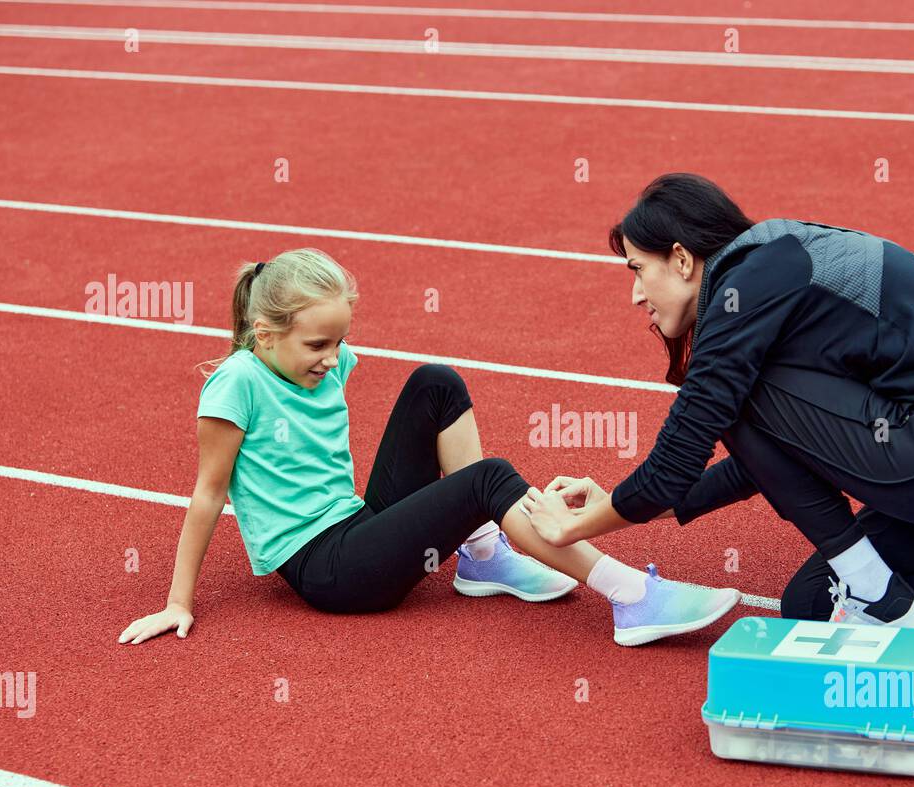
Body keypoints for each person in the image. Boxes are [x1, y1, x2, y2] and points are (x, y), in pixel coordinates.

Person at [522, 174, 914, 682]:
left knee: (728, 394)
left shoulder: (751, 281)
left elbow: (685, 449)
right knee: (809, 602)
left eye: (636, 269)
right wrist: (630, 502)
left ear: (681, 259)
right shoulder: (774, 266)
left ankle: (876, 595)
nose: (634, 296)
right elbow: (778, 452)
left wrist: (582, 525)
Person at [117, 248, 739, 648]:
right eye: (316, 347)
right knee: (487, 479)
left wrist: (326, 355)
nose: (334, 360)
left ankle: (481, 556)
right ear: (264, 333)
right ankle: (631, 597)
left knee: (435, 383)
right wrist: (177, 602)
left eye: (340, 341)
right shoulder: (236, 388)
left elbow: (358, 393)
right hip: (328, 572)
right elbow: (207, 495)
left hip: (355, 522)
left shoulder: (320, 358)